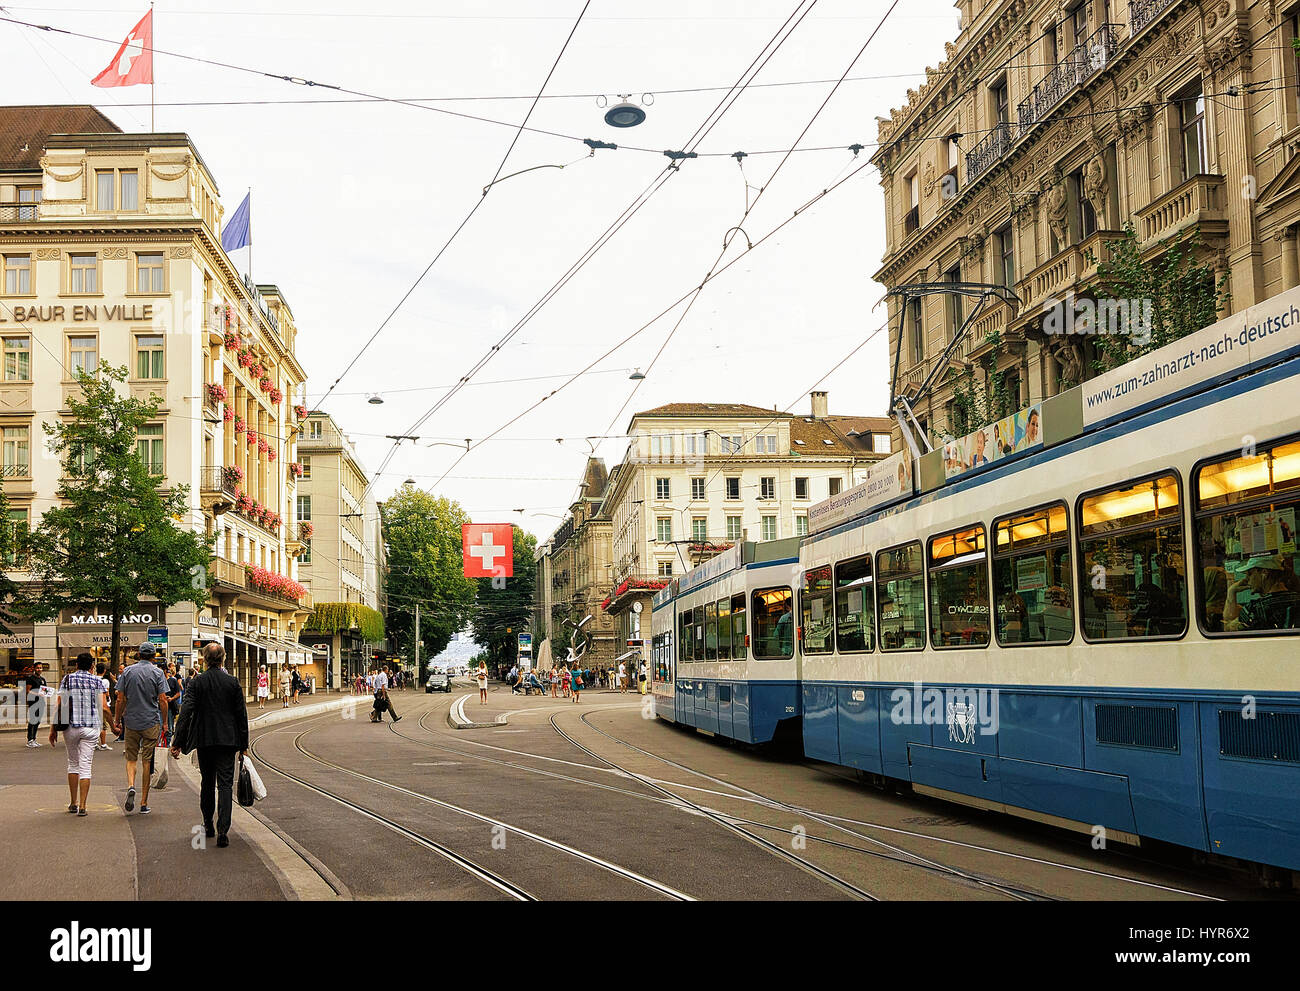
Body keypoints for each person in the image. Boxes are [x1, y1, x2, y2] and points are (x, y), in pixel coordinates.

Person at [171, 642, 250, 848]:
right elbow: (241, 716)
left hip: (205, 740)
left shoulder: (197, 683)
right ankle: (224, 830)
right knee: (225, 785)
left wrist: (177, 742)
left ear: (204, 660)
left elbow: (186, 713)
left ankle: (208, 824)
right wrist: (244, 745)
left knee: (207, 783)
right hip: (227, 741)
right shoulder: (232, 682)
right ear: (223, 659)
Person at [50, 653, 115, 816]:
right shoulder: (97, 681)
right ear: (92, 666)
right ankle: (83, 806)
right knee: (86, 765)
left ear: (77, 665)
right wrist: (113, 727)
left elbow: (60, 704)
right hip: (91, 728)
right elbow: (104, 708)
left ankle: (73, 802)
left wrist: (52, 729)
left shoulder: (67, 679)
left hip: (70, 727)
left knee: (73, 763)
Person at [113, 643, 168, 815]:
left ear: (138, 655)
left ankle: (131, 785)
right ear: (153, 656)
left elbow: (120, 699)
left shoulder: (127, 672)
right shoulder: (158, 672)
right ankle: (144, 802)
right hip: (150, 721)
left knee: (130, 758)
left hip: (131, 721)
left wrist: (117, 720)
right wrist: (165, 722)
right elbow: (163, 700)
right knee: (146, 761)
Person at [1223, 555, 1300, 631]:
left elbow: (1228, 629)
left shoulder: (1253, 610)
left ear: (1264, 572)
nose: (1246, 579)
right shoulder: (1297, 599)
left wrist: (1231, 592)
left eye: (1250, 574)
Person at [24, 661, 47, 748]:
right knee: (33, 721)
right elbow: (28, 691)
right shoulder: (30, 678)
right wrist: (37, 694)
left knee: (38, 721)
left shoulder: (42, 679)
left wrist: (47, 693)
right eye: (38, 668)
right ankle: (29, 740)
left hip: (41, 702)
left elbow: (45, 690)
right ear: (34, 668)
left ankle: (34, 739)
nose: (39, 669)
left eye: (40, 668)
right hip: (33, 702)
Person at [94, 663, 113, 752]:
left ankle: (94, 743)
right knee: (103, 725)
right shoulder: (105, 681)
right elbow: (107, 693)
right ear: (104, 670)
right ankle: (103, 744)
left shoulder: (93, 679)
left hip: (93, 705)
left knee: (95, 725)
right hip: (101, 704)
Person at [164, 662, 182, 742]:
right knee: (161, 726)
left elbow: (178, 693)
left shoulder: (173, 680)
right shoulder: (159, 681)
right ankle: (161, 745)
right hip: (159, 707)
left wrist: (171, 698)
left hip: (170, 706)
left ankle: (167, 744)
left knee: (170, 726)